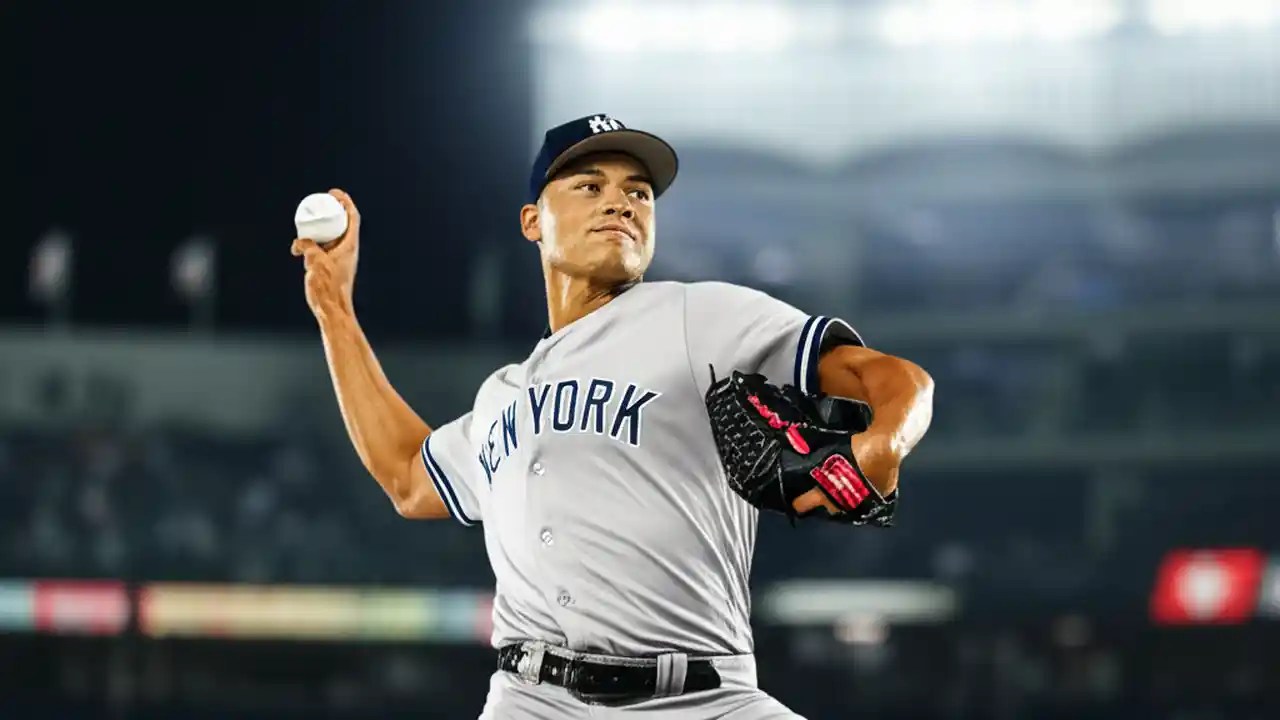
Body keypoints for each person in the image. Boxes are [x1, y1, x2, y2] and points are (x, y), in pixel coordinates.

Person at [291, 114, 935, 719]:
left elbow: (897, 380)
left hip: (701, 699)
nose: (621, 201)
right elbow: (407, 474)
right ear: (532, 221)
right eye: (589, 185)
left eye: (640, 193)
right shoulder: (502, 398)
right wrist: (335, 313)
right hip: (530, 699)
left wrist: (881, 447)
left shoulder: (699, 316)